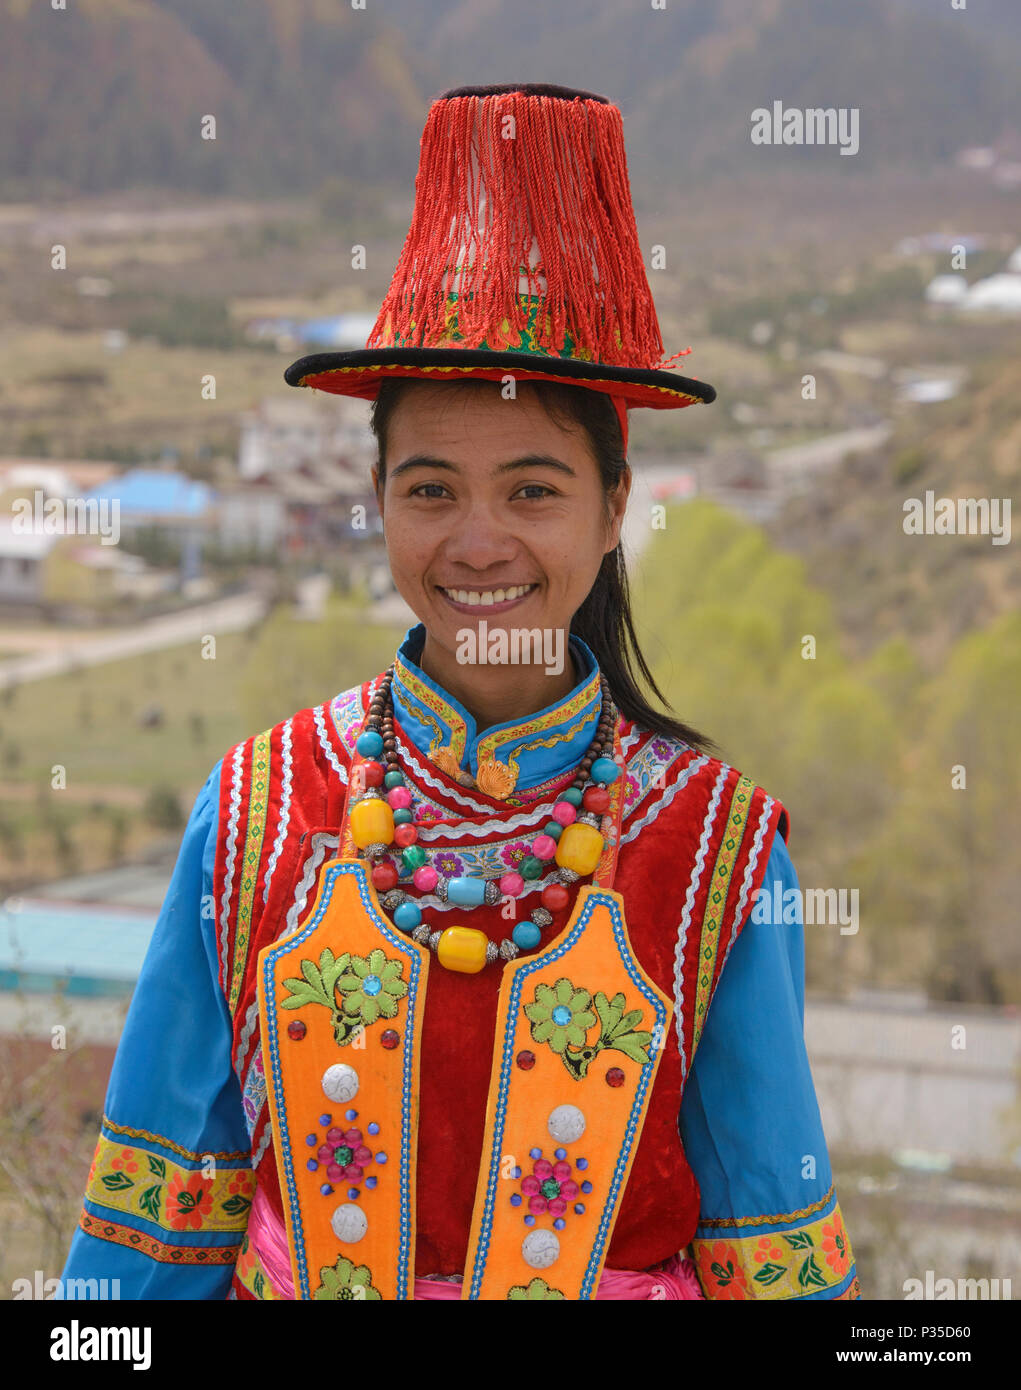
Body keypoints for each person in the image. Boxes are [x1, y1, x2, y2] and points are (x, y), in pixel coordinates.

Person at [62, 83, 859, 1301]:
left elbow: (770, 1246)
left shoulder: (717, 850)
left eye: (532, 491)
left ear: (611, 509)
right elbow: (145, 1240)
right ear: (377, 501)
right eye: (430, 489)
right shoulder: (260, 809)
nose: (477, 542)